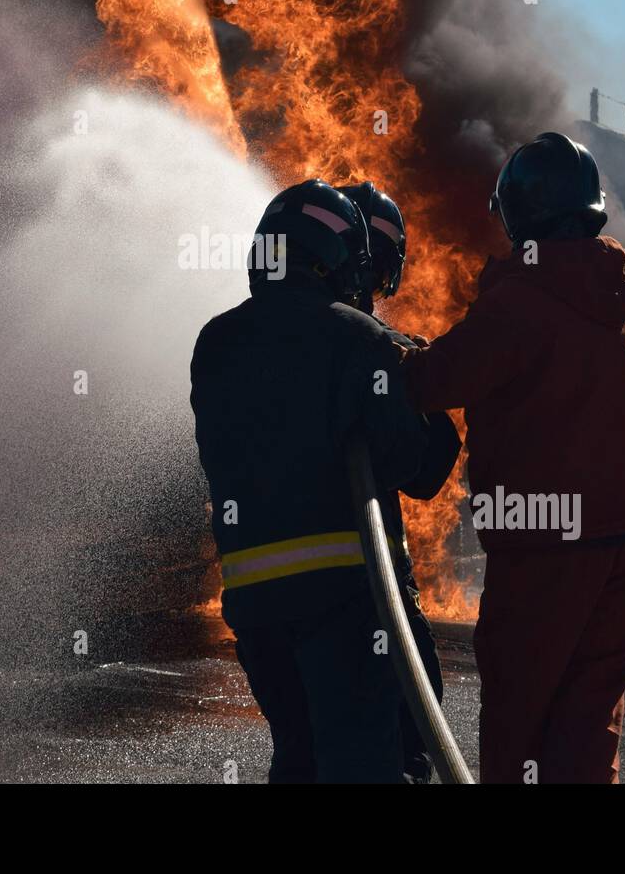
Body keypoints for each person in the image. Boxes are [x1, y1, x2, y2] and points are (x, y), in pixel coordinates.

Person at [402, 132, 625, 784]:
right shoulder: (612, 296)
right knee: (586, 724)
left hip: (547, 543)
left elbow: (434, 382)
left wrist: (385, 355)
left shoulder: (522, 297)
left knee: (521, 718)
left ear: (518, 212)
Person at [189, 179, 449, 783]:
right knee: (369, 765)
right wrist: (415, 377)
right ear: (336, 258)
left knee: (299, 761)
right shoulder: (356, 339)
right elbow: (421, 466)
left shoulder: (215, 342)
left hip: (255, 609)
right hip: (342, 603)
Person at [339, 181, 460, 783]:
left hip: (270, 606)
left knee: (310, 754)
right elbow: (427, 471)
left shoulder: (249, 342)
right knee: (406, 747)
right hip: (368, 596)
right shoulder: (370, 349)